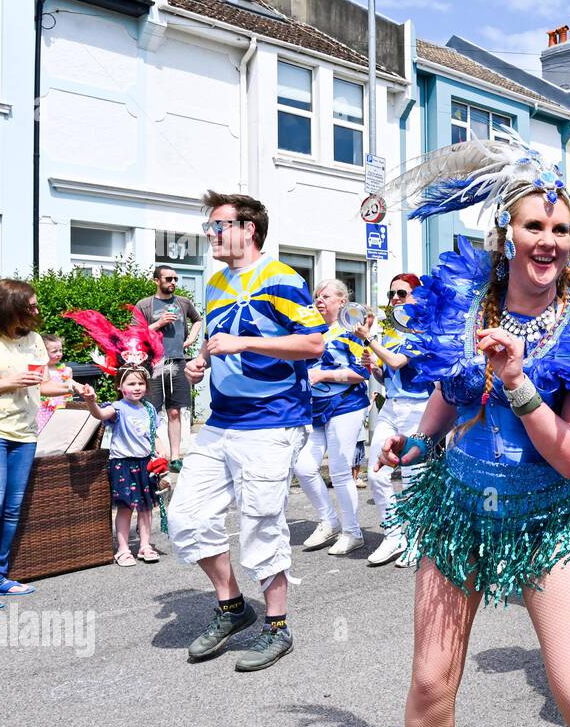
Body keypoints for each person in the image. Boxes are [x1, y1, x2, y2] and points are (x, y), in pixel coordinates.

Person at [378, 137, 570, 727]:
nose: (549, 241)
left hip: (550, 518)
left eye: (562, 229)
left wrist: (519, 382)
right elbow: (446, 389)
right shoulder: (463, 300)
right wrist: (414, 444)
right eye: (535, 226)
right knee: (431, 686)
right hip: (458, 510)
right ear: (505, 232)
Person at [167, 191, 326, 672]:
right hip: (221, 420)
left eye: (218, 225)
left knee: (260, 521)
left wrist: (245, 341)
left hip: (273, 421)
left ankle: (277, 627)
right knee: (185, 517)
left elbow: (314, 342)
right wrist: (201, 362)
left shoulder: (281, 278)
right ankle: (233, 606)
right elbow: (218, 341)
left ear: (248, 229)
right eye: (209, 226)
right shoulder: (215, 283)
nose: (210, 235)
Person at [0, 279, 72, 608]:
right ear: (11, 307)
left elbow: (43, 385)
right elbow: (16, 381)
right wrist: (9, 381)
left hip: (25, 432)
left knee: (11, 511)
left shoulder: (35, 340)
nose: (37, 311)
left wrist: (72, 388)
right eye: (32, 305)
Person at [353, 272, 428, 567]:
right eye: (391, 294)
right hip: (392, 407)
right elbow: (389, 375)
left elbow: (397, 361)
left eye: (401, 293)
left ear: (417, 297)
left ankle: (417, 538)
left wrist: (371, 341)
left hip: (419, 408)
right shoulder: (394, 332)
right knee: (376, 472)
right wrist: (373, 367)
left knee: (412, 479)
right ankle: (395, 534)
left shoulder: (425, 328)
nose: (395, 299)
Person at [294, 278, 371, 556]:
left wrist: (324, 374)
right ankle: (329, 521)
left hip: (347, 404)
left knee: (339, 470)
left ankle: (353, 532)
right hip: (316, 408)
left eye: (326, 296)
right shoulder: (311, 332)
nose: (319, 300)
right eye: (317, 296)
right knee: (303, 467)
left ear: (342, 301)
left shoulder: (351, 332)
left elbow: (362, 372)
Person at [79, 368, 167, 565]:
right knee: (126, 507)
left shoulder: (149, 409)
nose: (137, 388)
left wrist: (161, 450)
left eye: (141, 383)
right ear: (119, 386)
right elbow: (99, 414)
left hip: (146, 463)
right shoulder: (117, 407)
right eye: (131, 384)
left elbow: (154, 434)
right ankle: (123, 549)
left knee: (146, 507)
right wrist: (91, 401)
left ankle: (145, 545)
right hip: (123, 464)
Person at [136, 266, 203, 471]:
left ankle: (175, 457)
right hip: (154, 362)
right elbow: (136, 333)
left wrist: (191, 338)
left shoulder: (183, 302)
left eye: (175, 278)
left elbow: (198, 320)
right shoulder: (145, 305)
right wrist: (159, 323)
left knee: (174, 411)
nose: (173, 282)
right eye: (168, 278)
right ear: (157, 280)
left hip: (177, 361)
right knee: (151, 411)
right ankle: (156, 454)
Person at [35, 334, 75, 432]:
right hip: (43, 411)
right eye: (54, 351)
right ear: (43, 352)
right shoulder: (39, 370)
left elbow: (70, 391)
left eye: (60, 350)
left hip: (62, 410)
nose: (59, 354)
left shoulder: (67, 371)